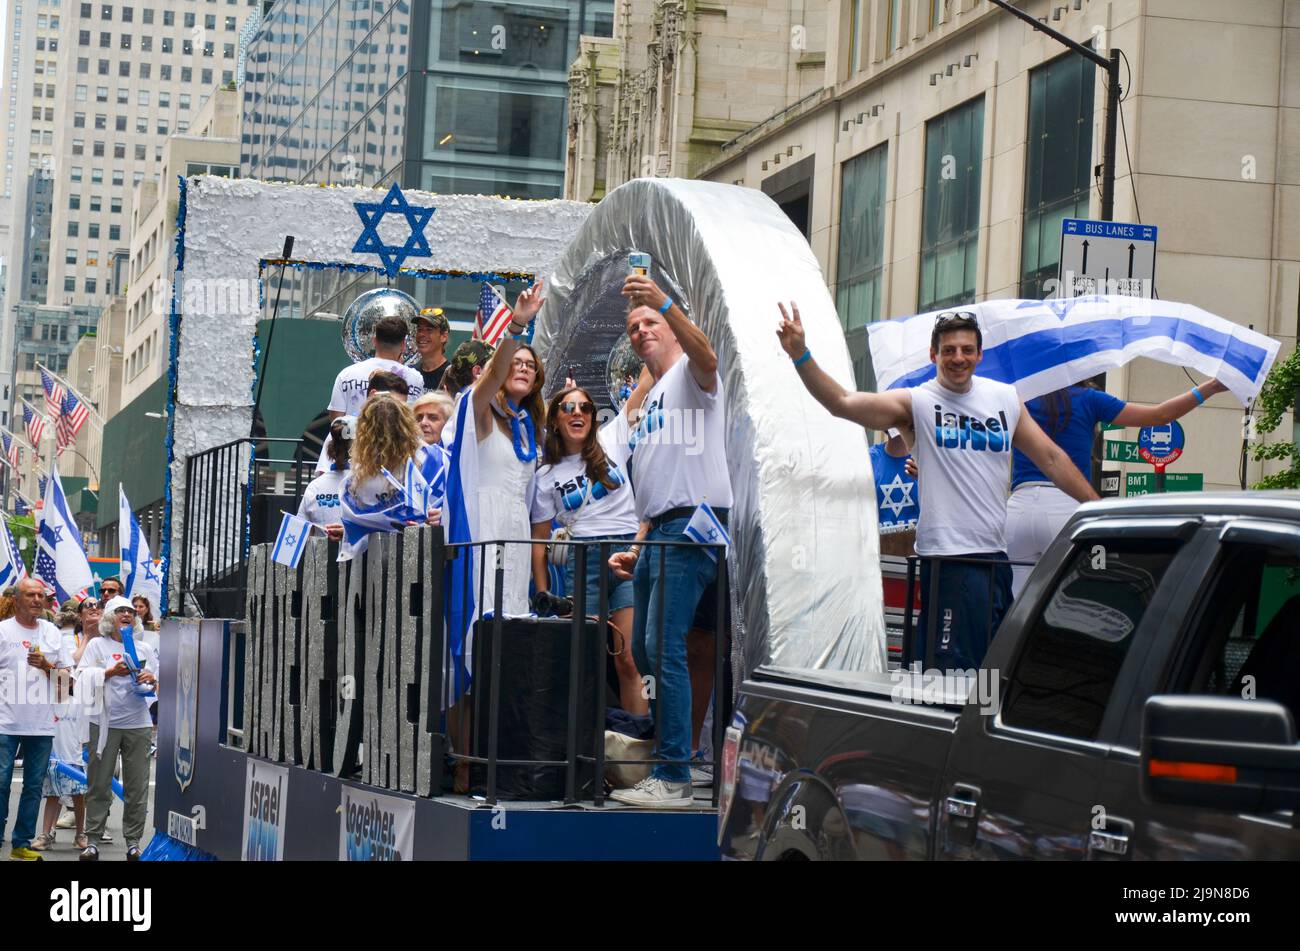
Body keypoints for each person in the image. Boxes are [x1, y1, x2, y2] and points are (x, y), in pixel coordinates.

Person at [776, 306, 1098, 672]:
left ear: (979, 354)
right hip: (948, 563)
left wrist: (1097, 506)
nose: (958, 358)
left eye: (966, 350)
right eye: (948, 350)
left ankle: (977, 729)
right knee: (946, 684)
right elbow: (843, 403)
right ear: (934, 356)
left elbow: (1052, 459)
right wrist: (801, 354)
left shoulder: (1005, 399)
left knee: (990, 681)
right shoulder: (918, 403)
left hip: (995, 560)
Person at [605, 272, 732, 809]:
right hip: (660, 528)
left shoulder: (690, 371)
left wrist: (665, 301)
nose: (640, 331)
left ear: (675, 329)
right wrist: (639, 539)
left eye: (649, 322)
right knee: (645, 648)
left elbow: (708, 355)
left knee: (666, 646)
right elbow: (654, 478)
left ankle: (676, 773)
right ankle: (673, 757)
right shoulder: (653, 395)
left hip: (692, 522)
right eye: (633, 326)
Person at [1005, 377, 1229, 597]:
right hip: (1066, 510)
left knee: (1013, 603)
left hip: (1017, 512)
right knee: (1080, 598)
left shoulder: (1018, 398)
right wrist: (1210, 387)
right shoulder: (1090, 399)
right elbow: (1161, 415)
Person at [529, 386, 647, 716]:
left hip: (627, 554)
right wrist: (542, 593)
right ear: (555, 420)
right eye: (568, 407)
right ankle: (582, 754)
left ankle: (633, 753)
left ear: (594, 417)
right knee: (584, 662)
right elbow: (539, 539)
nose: (578, 412)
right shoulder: (545, 476)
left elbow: (647, 380)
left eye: (585, 407)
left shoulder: (614, 438)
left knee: (629, 659)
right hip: (583, 561)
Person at [449, 281, 548, 617]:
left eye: (530, 366)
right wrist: (517, 327)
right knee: (484, 604)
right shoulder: (481, 411)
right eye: (515, 362)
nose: (522, 367)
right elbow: (489, 379)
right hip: (483, 522)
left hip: (516, 526)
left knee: (513, 608)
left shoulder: (528, 429)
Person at [76, 596, 158, 861]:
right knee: (99, 784)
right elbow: (81, 678)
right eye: (121, 610)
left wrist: (150, 679)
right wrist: (110, 672)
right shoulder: (98, 645)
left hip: (138, 723)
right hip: (104, 723)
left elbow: (154, 688)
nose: (127, 614)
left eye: (131, 612)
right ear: (109, 617)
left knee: (137, 786)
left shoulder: (144, 649)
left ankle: (133, 842)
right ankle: (93, 840)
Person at [0, 576, 68, 860]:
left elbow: (68, 681)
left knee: (32, 786)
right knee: (1, 782)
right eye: (30, 595)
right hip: (5, 721)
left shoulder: (52, 633)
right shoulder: (3, 631)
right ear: (16, 600)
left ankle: (21, 844)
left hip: (41, 724)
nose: (38, 600)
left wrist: (47, 665)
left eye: (41, 596)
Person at [340, 396, 441, 560]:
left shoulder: (360, 472)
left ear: (365, 429)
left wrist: (436, 517)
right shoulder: (427, 458)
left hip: (389, 557)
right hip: (406, 556)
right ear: (406, 424)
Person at [327, 315, 425, 421]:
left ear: (374, 341)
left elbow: (336, 423)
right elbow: (417, 422)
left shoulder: (346, 375)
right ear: (403, 345)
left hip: (356, 437)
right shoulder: (415, 378)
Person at [299, 416, 353, 541]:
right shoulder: (369, 484)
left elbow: (302, 534)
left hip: (320, 558)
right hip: (362, 559)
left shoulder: (314, 487)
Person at [870, 430, 919, 557]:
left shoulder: (926, 458)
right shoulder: (870, 459)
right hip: (881, 557)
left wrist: (926, 478)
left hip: (920, 556)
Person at [410, 307, 451, 393]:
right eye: (419, 329)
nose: (422, 334)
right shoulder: (410, 373)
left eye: (429, 330)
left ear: (444, 336)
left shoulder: (452, 375)